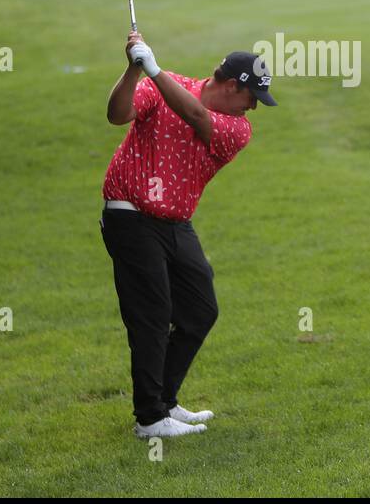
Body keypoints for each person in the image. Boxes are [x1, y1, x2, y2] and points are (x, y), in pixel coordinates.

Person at [100, 33, 277, 437]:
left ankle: (165, 401)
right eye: (253, 97)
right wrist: (132, 70)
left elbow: (196, 116)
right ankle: (150, 418)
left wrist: (154, 70)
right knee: (153, 315)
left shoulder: (237, 129)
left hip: (176, 223)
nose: (254, 107)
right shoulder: (163, 85)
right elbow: (117, 114)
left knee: (200, 310)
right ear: (233, 85)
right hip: (130, 216)